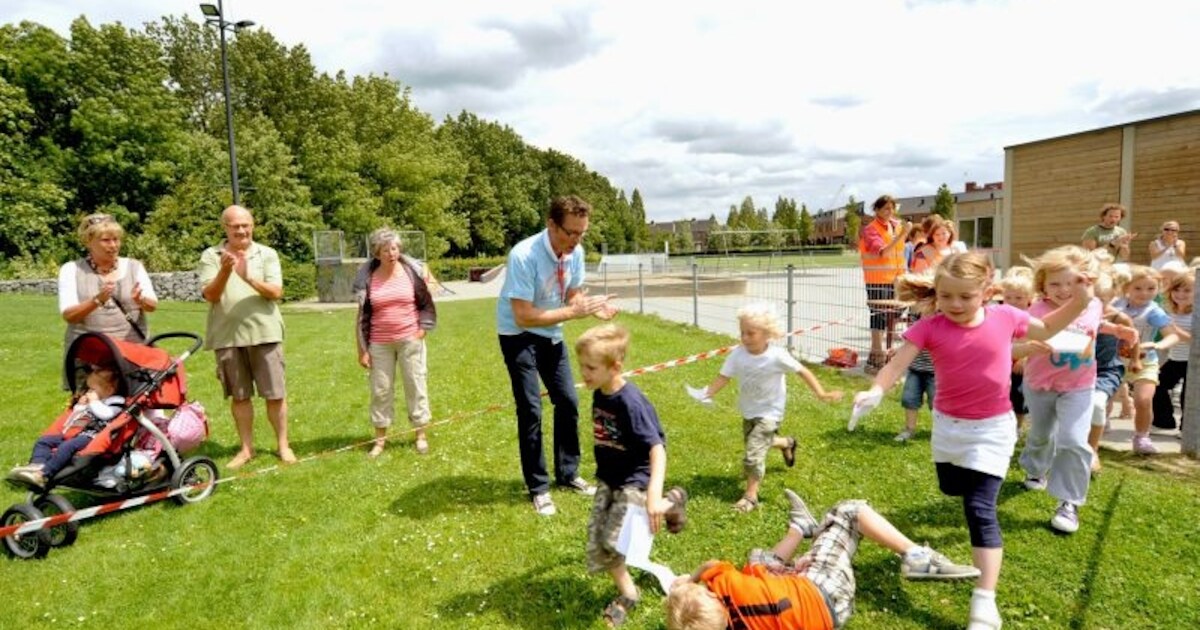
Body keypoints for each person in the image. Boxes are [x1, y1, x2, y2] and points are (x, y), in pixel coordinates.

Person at [852, 252, 1092, 630]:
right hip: (948, 427)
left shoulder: (1006, 317)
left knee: (980, 510)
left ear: (986, 290)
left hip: (993, 429)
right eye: (947, 296)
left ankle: (984, 602)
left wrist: (1079, 302)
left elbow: (1045, 329)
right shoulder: (930, 327)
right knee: (951, 487)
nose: (956, 305)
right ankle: (966, 494)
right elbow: (897, 362)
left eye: (965, 296)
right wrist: (877, 390)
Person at [664, 489, 979, 630]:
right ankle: (917, 557)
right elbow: (710, 564)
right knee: (849, 511)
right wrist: (687, 582)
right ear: (708, 592)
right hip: (824, 587)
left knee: (760, 558)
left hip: (831, 619)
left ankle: (800, 527)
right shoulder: (726, 584)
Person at [496, 195, 618, 516]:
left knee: (568, 401)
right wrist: (573, 312)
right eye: (570, 233)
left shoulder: (574, 252)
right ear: (551, 224)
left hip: (551, 334)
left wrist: (592, 309)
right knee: (531, 409)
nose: (577, 241)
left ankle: (567, 474)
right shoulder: (523, 256)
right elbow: (523, 315)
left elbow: (573, 294)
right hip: (518, 336)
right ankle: (538, 487)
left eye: (582, 233)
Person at [576, 324, 687, 627]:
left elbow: (657, 449)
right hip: (609, 479)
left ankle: (667, 501)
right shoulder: (600, 392)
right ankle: (630, 591)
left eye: (590, 367)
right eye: (581, 366)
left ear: (615, 367)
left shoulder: (631, 402)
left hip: (635, 480)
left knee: (614, 539)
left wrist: (652, 494)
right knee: (598, 542)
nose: (583, 373)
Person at [696, 303, 842, 512]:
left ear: (767, 334)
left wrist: (821, 393)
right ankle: (786, 443)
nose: (745, 338)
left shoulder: (777, 355)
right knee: (757, 443)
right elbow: (724, 377)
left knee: (753, 454)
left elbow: (803, 371)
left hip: (770, 412)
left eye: (750, 333)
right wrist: (708, 392)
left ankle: (751, 496)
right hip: (749, 410)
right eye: (742, 333)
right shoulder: (738, 354)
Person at [198, 205, 296, 468]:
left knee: (275, 394)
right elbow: (210, 295)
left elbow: (275, 292)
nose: (241, 230)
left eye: (245, 225)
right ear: (225, 228)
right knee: (239, 396)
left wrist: (248, 277)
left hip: (265, 333)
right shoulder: (211, 255)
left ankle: (283, 445)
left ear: (252, 225)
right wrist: (225, 271)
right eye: (234, 226)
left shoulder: (267, 254)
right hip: (227, 337)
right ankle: (246, 449)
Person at [1016, 247, 1104, 535]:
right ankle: (1035, 468)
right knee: (1041, 434)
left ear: (1085, 282)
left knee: (1073, 440)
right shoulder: (1037, 309)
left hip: (1078, 384)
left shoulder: (1093, 305)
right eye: (1055, 283)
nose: (1064, 290)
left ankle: (1069, 502)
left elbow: (1084, 337)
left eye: (1071, 283)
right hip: (1040, 382)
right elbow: (1040, 333)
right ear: (1042, 284)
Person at [354, 228, 437, 457]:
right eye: (385, 249)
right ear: (376, 253)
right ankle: (380, 440)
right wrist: (362, 350)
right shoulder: (368, 277)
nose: (391, 253)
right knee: (380, 390)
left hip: (410, 339)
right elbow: (361, 316)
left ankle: (420, 435)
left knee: (415, 384)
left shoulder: (412, 272)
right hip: (379, 344)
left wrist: (422, 331)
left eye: (394, 248)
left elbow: (426, 303)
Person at [58, 214, 158, 384]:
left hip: (131, 353)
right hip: (89, 356)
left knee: (137, 405)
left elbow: (152, 305)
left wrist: (141, 300)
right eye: (106, 240)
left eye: (116, 239)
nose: (113, 245)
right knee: (90, 406)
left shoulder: (134, 266)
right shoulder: (71, 269)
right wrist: (97, 300)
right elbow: (69, 315)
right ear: (88, 242)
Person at [7, 365, 125, 488]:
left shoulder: (116, 402)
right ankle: (37, 464)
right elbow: (76, 416)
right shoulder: (95, 400)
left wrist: (94, 402)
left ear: (109, 390)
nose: (89, 392)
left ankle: (44, 474)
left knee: (66, 447)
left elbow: (105, 415)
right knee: (44, 441)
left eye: (93, 389)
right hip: (75, 431)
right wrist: (80, 406)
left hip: (92, 436)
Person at [1113, 265, 1183, 454]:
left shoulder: (1154, 311)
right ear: (1127, 287)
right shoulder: (1116, 305)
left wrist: (1157, 345)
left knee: (1143, 400)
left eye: (1151, 288)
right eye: (1138, 288)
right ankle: (1097, 429)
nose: (1144, 293)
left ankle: (1142, 437)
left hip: (1145, 360)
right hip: (1114, 360)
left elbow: (1173, 335)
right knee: (1105, 400)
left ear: (1158, 289)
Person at [857, 195, 911, 374]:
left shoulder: (894, 226)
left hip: (896, 279)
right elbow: (881, 252)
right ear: (877, 210)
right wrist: (902, 235)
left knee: (897, 310)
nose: (890, 212)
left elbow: (899, 252)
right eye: (886, 208)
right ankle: (877, 356)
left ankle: (877, 354)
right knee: (879, 316)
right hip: (878, 279)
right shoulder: (871, 230)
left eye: (892, 208)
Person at [1151, 270, 1193, 430]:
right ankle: (1164, 421)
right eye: (1176, 289)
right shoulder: (1169, 312)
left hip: (1193, 362)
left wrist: (1175, 329)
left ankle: (1187, 429)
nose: (1180, 294)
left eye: (1187, 290)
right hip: (1175, 359)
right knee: (1155, 384)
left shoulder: (1196, 314)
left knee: (1187, 396)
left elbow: (1194, 341)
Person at [1000, 267, 1037, 433]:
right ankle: (1002, 422)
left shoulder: (1031, 316)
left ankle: (1018, 426)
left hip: (1021, 361)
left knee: (1019, 393)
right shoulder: (1000, 314)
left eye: (1018, 298)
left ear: (1029, 298)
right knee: (1002, 391)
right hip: (1002, 360)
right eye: (1008, 297)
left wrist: (1023, 359)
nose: (1013, 301)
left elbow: (1034, 339)